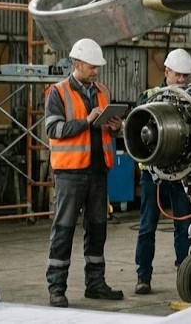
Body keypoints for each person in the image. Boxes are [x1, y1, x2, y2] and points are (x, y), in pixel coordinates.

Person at [45, 38, 124, 307]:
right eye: (92, 66)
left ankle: (96, 284)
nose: (96, 71)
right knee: (63, 231)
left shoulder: (102, 91)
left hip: (98, 171)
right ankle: (57, 288)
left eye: (98, 67)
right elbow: (54, 130)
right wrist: (86, 121)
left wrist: (115, 125)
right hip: (70, 174)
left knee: (98, 229)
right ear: (77, 64)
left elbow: (110, 131)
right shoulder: (58, 92)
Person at [134, 48, 191, 295]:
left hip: (181, 172)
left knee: (185, 226)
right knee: (147, 226)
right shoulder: (149, 97)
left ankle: (184, 273)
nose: (181, 81)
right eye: (178, 75)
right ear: (166, 71)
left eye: (185, 77)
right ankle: (143, 277)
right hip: (154, 174)